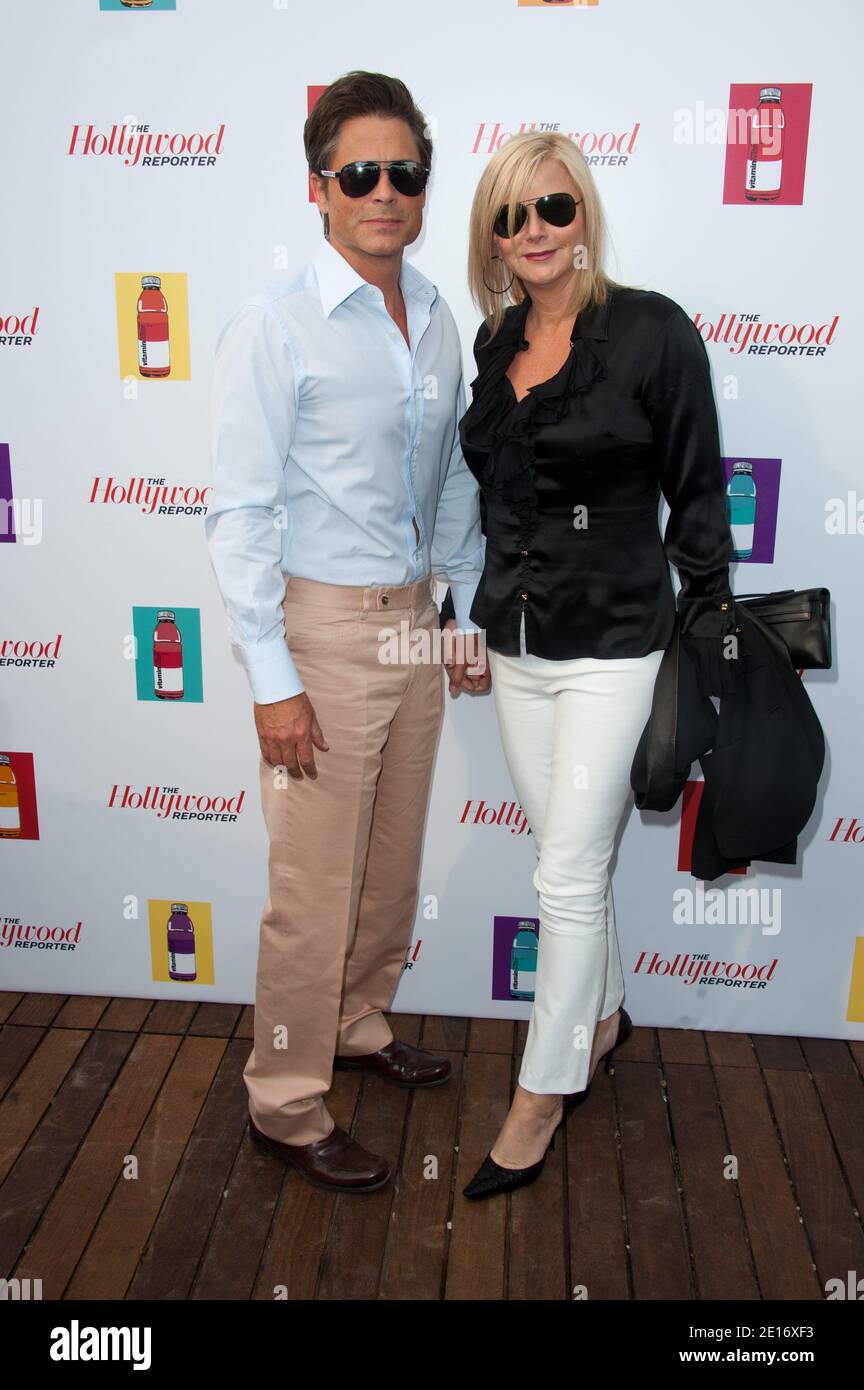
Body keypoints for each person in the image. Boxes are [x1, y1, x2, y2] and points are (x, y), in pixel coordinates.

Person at [205, 70, 488, 1195]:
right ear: (318, 188)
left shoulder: (436, 319)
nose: (384, 191)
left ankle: (361, 1024)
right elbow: (239, 513)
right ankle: (283, 1098)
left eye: (403, 172)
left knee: (387, 862)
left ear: (424, 184)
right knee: (314, 885)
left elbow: (453, 474)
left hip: (416, 624)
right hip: (320, 630)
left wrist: (459, 603)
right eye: (360, 173)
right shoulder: (273, 329)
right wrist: (272, 679)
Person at [455, 131, 737, 1200]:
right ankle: (607, 1018)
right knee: (566, 857)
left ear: (585, 217)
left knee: (565, 875)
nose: (534, 230)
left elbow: (698, 490)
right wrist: (460, 611)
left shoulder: (653, 333)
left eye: (554, 207)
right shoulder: (495, 344)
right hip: (520, 645)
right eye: (510, 215)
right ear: (492, 235)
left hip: (620, 647)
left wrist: (706, 626)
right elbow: (490, 500)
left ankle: (540, 1094)